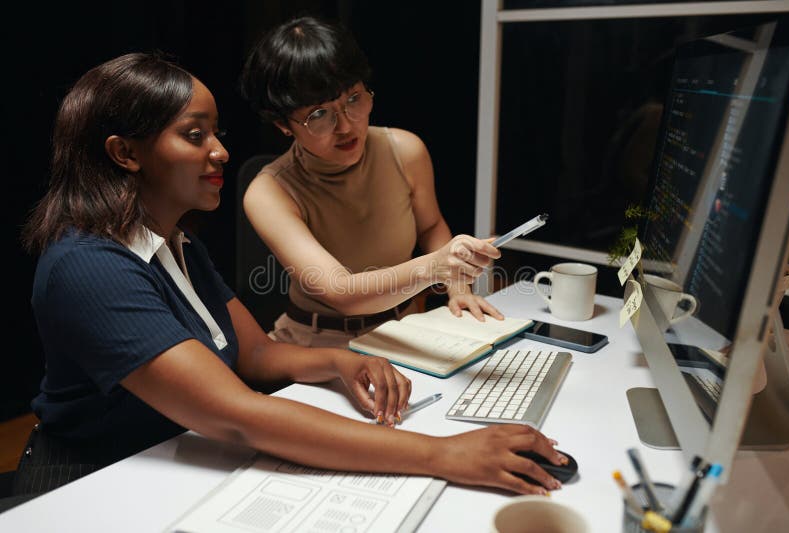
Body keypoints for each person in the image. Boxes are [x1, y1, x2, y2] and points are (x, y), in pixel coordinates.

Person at [13, 52, 567, 503]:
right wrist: (442, 453)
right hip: (93, 485)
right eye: (194, 134)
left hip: (178, 458)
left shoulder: (177, 243)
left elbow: (254, 355)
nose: (220, 150)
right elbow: (235, 414)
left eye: (216, 132)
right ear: (124, 153)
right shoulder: (88, 265)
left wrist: (339, 361)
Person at [238, 16, 504, 348]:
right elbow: (342, 293)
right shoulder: (269, 192)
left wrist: (458, 289)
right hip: (317, 342)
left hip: (406, 331)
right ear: (283, 125)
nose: (346, 127)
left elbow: (431, 226)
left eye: (353, 99)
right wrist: (436, 267)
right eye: (319, 114)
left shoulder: (405, 151)